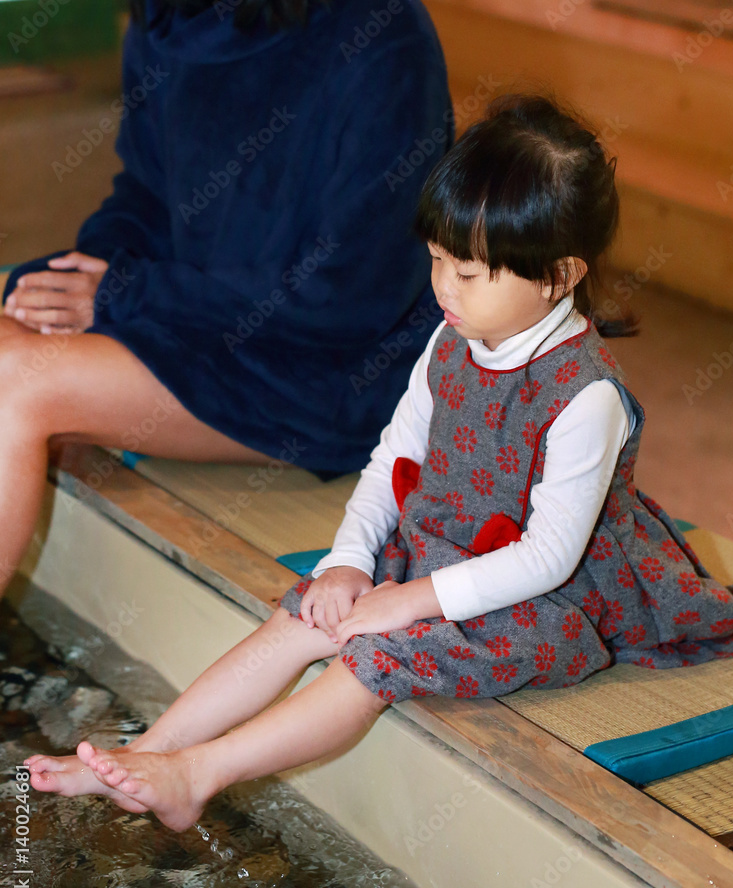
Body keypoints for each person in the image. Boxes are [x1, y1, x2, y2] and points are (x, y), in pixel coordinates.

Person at [25, 94, 733, 831]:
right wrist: (347, 561)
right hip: (445, 549)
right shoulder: (448, 341)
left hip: (552, 597)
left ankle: (195, 776)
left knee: (373, 659)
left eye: (470, 273)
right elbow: (394, 455)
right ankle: (147, 752)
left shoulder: (586, 397)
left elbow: (548, 559)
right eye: (437, 261)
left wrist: (407, 600)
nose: (444, 288)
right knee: (305, 616)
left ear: (559, 276)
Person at [0, 0, 451, 597]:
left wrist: (129, 294)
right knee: (14, 332)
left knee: (21, 382)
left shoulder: (382, 32)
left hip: (331, 375)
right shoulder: (166, 19)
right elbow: (146, 196)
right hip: (198, 323)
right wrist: (78, 275)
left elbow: (355, 294)